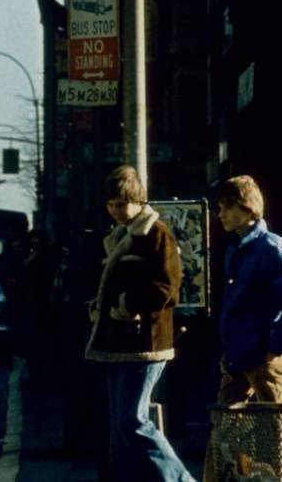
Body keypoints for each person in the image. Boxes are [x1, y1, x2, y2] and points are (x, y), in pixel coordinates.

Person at [85, 165, 194, 481]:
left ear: (138, 200)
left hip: (144, 340)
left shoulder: (156, 233)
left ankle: (179, 479)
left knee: (132, 420)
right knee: (122, 423)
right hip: (119, 339)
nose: (115, 210)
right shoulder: (121, 235)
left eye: (121, 203)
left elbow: (168, 288)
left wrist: (126, 305)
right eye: (111, 204)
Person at [215, 175, 282, 406]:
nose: (221, 215)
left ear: (248, 209)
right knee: (227, 426)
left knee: (277, 431)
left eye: (227, 208)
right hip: (239, 353)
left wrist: (275, 350)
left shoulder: (272, 249)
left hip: (260, 353)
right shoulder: (237, 248)